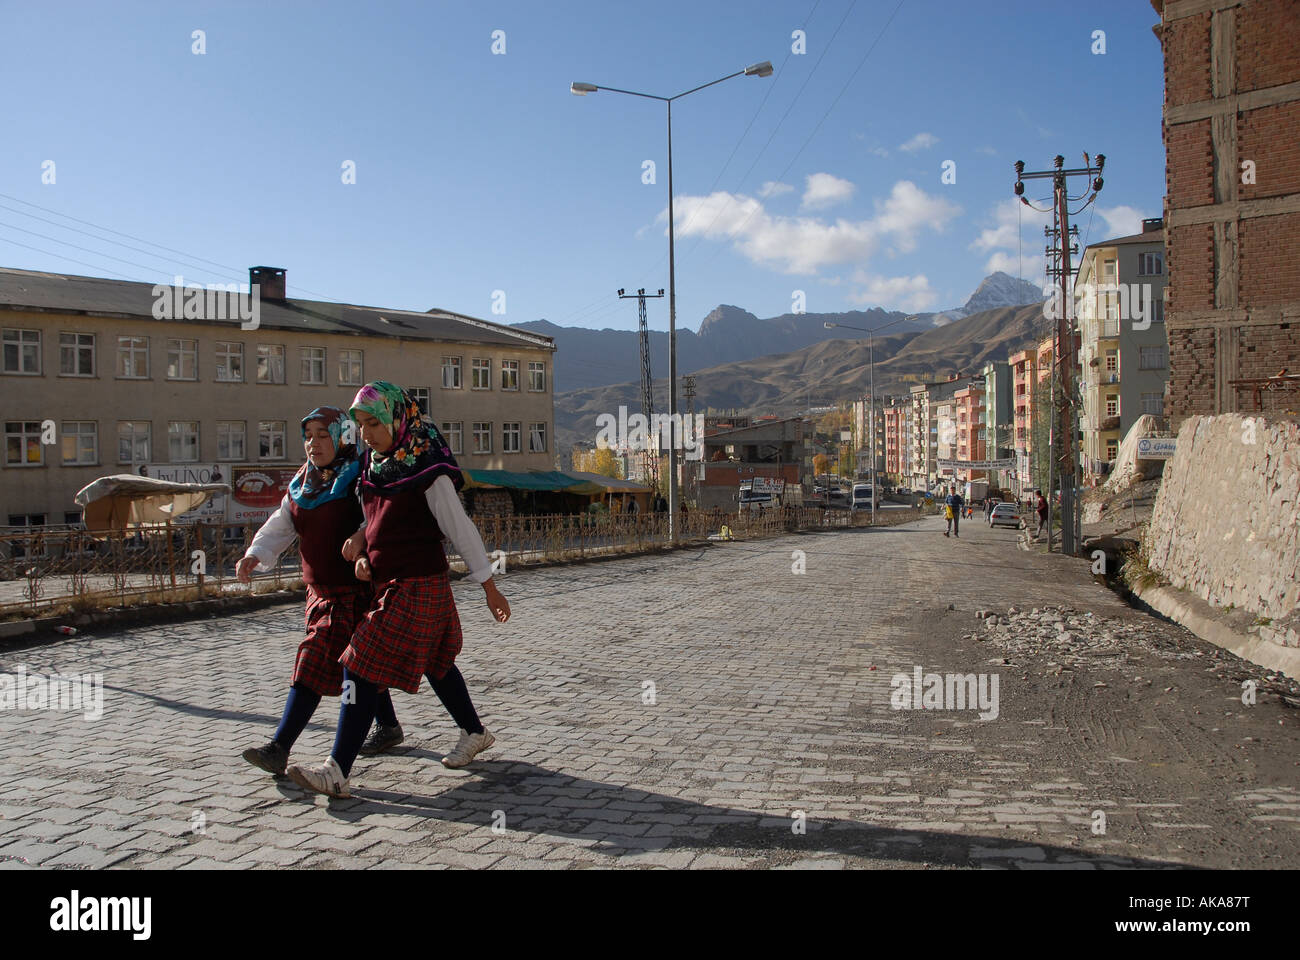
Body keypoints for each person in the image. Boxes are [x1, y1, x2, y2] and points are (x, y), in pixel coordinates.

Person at [286, 382, 510, 798]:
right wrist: (361, 545)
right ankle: (475, 731)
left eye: (374, 423)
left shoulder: (427, 469)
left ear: (397, 417)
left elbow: (459, 529)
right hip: (390, 583)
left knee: (359, 663)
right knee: (437, 663)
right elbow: (379, 523)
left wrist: (489, 586)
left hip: (419, 584)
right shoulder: (375, 465)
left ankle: (337, 770)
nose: (366, 434)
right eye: (362, 425)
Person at [237, 406, 403, 776]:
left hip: (353, 591)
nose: (314, 443)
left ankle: (280, 747)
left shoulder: (361, 476)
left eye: (323, 435)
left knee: (315, 659)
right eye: (308, 435)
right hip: (319, 593)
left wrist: (363, 549)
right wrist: (254, 555)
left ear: (342, 436)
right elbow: (282, 524)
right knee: (360, 665)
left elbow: (377, 520)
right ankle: (389, 727)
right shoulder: (304, 481)